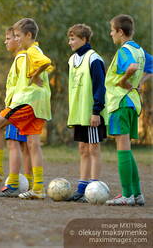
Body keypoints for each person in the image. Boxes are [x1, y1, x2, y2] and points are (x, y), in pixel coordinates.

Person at [0, 18, 53, 200]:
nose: (17, 39)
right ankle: (38, 188)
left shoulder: (31, 51)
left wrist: (35, 75)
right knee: (33, 144)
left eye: (19, 36)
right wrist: (36, 75)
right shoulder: (30, 53)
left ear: (28, 35)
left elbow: (46, 62)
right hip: (40, 104)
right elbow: (45, 67)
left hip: (27, 101)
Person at [104, 15, 152, 206]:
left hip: (121, 103)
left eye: (112, 30)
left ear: (120, 32)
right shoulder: (139, 50)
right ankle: (137, 194)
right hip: (132, 103)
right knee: (127, 148)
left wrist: (124, 81)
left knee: (122, 149)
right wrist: (139, 83)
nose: (110, 33)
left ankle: (126, 195)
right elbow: (150, 65)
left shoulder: (125, 50)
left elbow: (131, 67)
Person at [65, 24, 107, 203]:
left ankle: (94, 187)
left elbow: (100, 87)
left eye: (73, 39)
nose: (70, 42)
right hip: (79, 113)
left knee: (93, 149)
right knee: (82, 149)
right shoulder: (72, 59)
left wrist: (96, 111)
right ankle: (81, 188)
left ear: (84, 39)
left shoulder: (94, 59)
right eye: (69, 39)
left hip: (91, 113)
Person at [0, 27, 33, 197]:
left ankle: (13, 183)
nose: (6, 41)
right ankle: (31, 184)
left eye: (9, 37)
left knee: (13, 143)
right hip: (22, 105)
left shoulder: (23, 58)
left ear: (19, 40)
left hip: (19, 107)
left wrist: (15, 107)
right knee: (24, 146)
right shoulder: (21, 58)